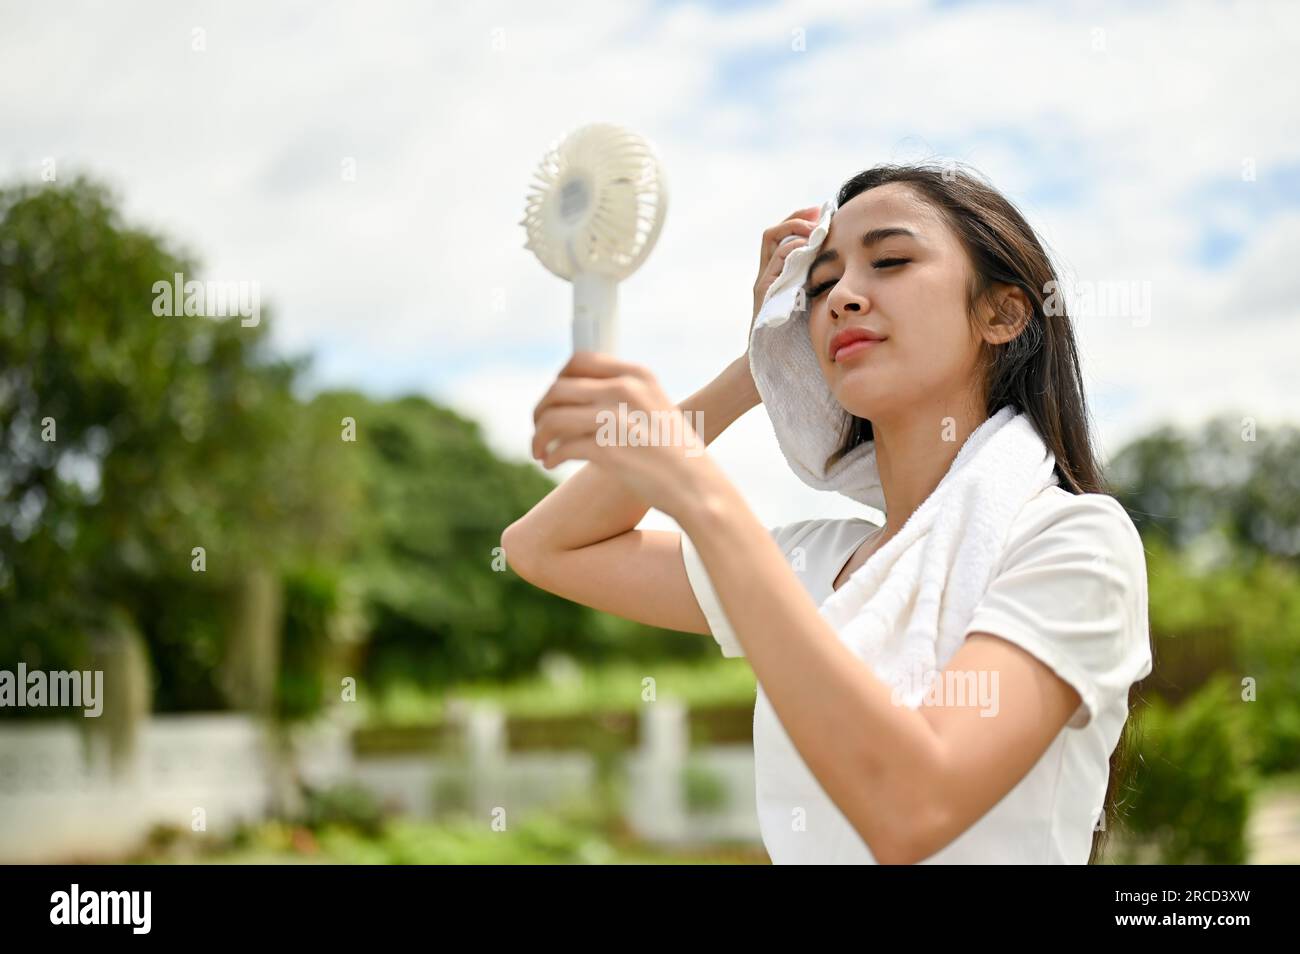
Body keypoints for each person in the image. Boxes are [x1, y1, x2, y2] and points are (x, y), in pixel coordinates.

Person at [502, 162, 1153, 864]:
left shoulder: (1074, 542)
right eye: (817, 288)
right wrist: (759, 361)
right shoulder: (818, 563)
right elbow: (543, 548)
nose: (842, 296)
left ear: (1002, 312)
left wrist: (697, 491)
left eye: (892, 260)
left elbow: (914, 806)